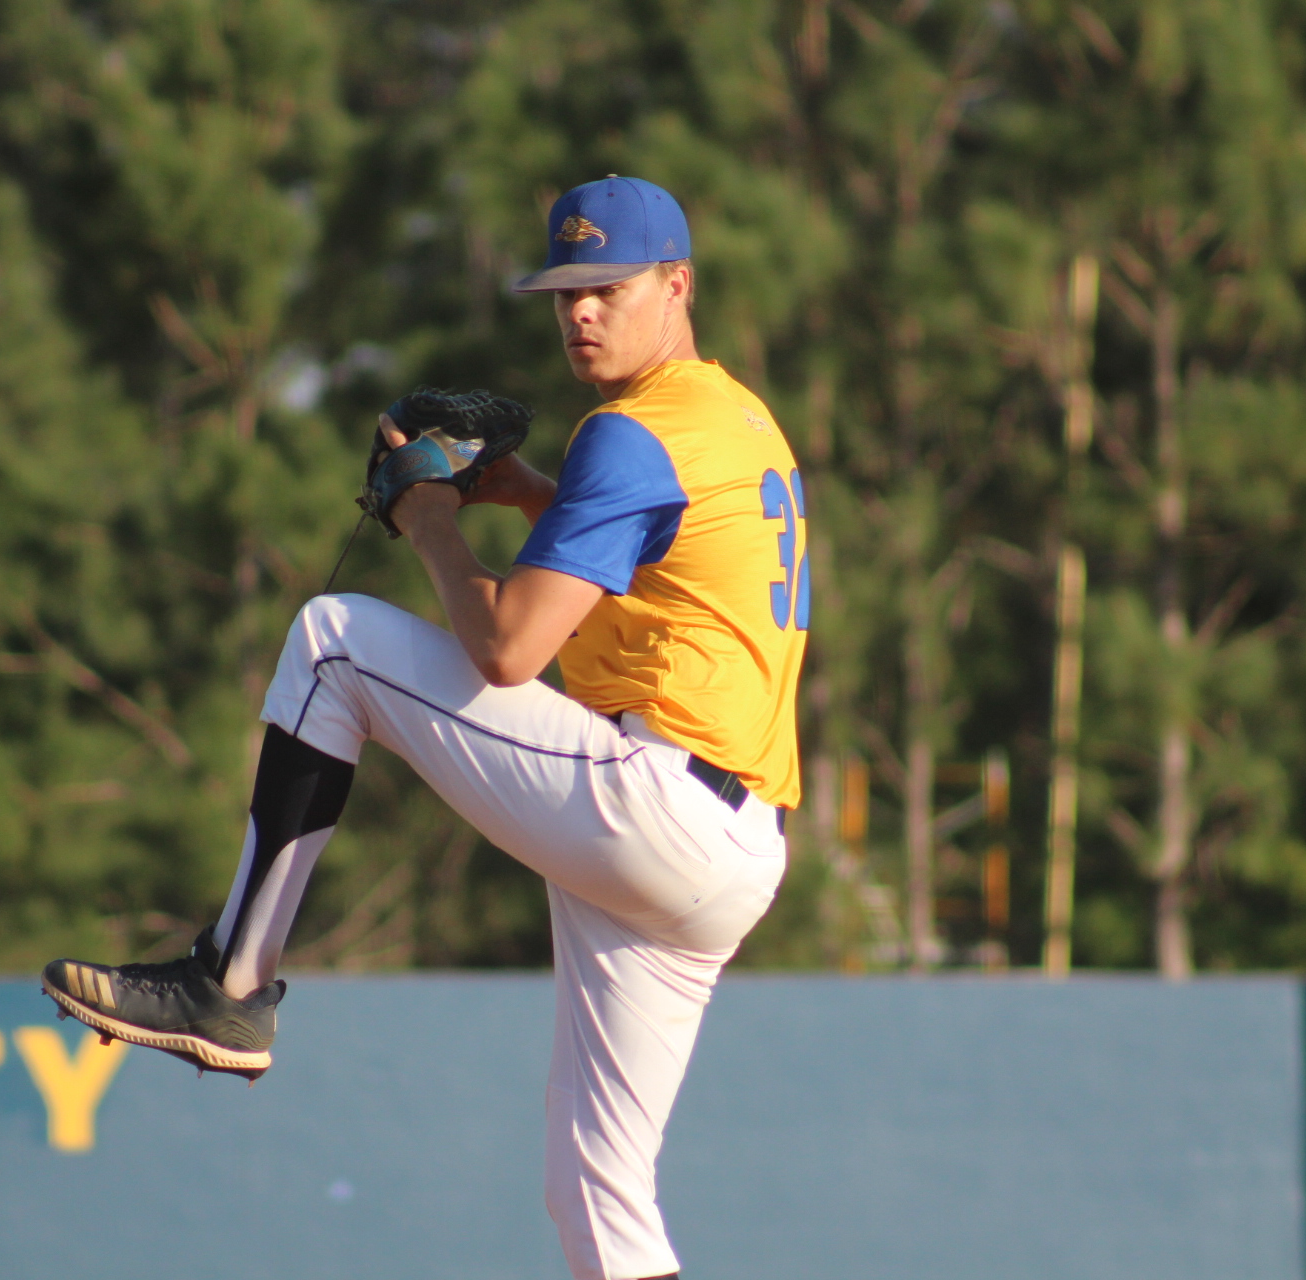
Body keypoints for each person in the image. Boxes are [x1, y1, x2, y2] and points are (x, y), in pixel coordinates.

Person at [42, 175, 809, 1280]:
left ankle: (231, 985)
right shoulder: (734, 417)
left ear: (676, 284)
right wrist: (519, 489)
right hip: (733, 848)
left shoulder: (633, 432)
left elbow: (507, 651)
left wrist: (433, 515)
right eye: (564, 293)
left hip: (655, 803)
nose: (581, 311)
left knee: (334, 641)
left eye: (608, 285)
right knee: (596, 1192)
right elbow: (664, 549)